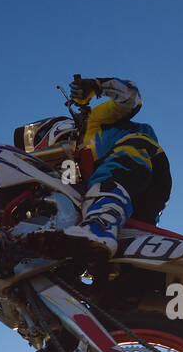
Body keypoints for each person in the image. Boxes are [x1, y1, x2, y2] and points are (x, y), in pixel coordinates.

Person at [24, 75, 172, 264]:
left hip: (140, 167)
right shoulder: (73, 172)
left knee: (110, 172)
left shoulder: (93, 124)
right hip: (135, 211)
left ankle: (100, 224)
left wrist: (96, 86)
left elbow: (130, 98)